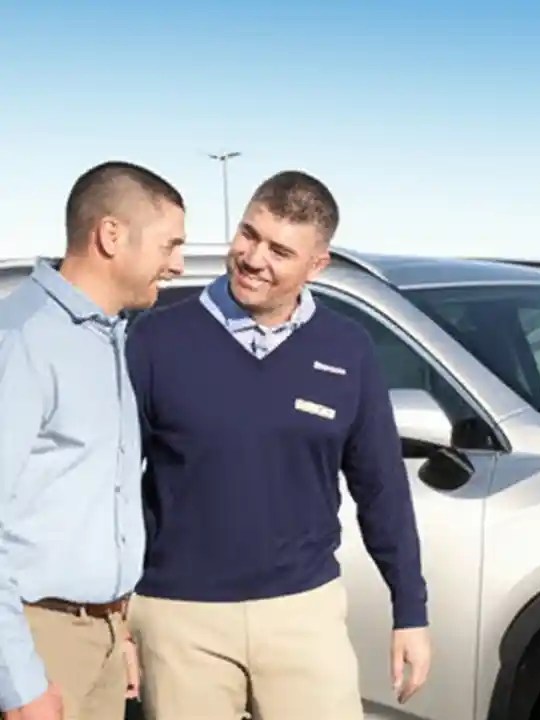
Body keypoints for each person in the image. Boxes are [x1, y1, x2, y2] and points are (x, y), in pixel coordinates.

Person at [124, 170, 431, 719]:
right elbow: (113, 484)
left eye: (280, 250)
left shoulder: (349, 349)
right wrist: (116, 615)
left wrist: (411, 610)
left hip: (303, 615)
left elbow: (382, 489)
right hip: (177, 620)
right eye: (249, 234)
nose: (253, 257)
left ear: (317, 266)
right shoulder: (154, 339)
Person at [0, 161, 186, 720]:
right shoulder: (25, 340)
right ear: (110, 235)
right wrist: (20, 683)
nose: (176, 263)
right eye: (169, 244)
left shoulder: (108, 338)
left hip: (98, 638)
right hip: (39, 642)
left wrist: (115, 629)